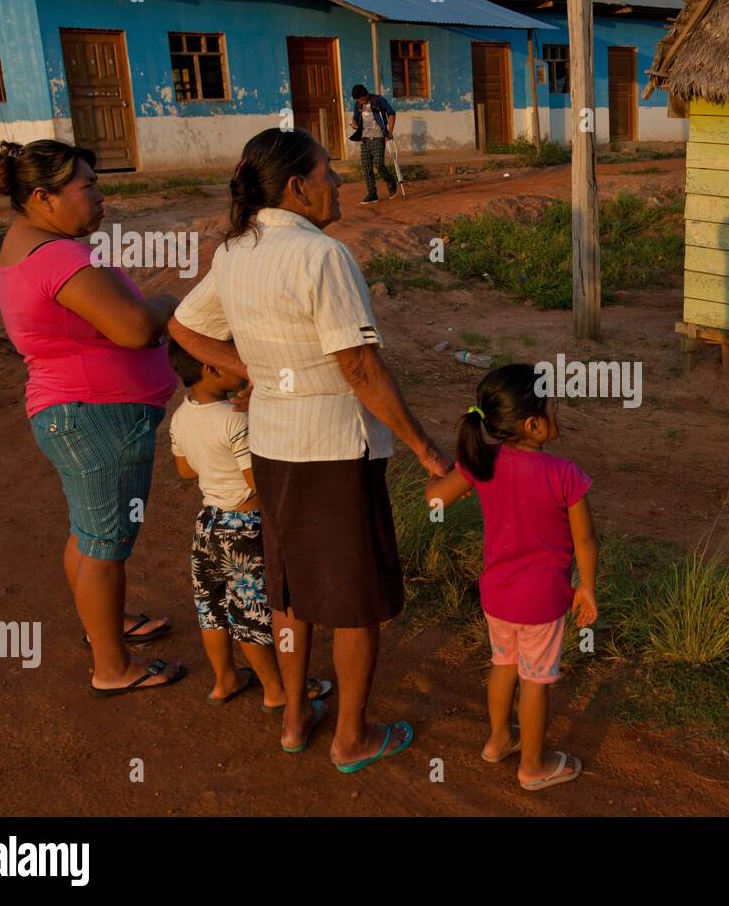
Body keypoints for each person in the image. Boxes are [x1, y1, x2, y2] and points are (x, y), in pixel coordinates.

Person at [168, 127, 449, 770]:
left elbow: (183, 325)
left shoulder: (237, 251)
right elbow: (359, 368)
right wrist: (425, 447)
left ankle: (295, 716)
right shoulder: (321, 256)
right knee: (355, 599)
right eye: (329, 170)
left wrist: (252, 372)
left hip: (272, 443)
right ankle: (351, 737)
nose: (341, 181)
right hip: (333, 449)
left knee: (289, 587)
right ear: (297, 186)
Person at [0, 138, 183, 696]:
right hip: (96, 417)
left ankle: (105, 627)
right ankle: (112, 667)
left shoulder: (30, 243)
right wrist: (168, 304)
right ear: (44, 196)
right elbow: (135, 328)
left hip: (75, 412)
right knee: (105, 544)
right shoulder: (56, 255)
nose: (101, 197)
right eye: (88, 186)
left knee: (89, 532)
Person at [425, 365, 598, 792]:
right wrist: (587, 587)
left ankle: (499, 740)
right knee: (535, 682)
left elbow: (434, 500)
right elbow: (586, 540)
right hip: (542, 603)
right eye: (553, 407)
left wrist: (442, 470)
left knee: (503, 665)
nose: (560, 413)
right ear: (534, 424)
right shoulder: (565, 474)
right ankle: (533, 767)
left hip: (497, 597)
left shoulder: (483, 463)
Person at [166, 340, 333, 711]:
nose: (243, 367)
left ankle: (225, 680)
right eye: (233, 361)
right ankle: (276, 690)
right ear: (210, 368)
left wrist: (213, 462)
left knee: (211, 608)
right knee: (251, 612)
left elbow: (185, 470)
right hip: (243, 527)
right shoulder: (235, 419)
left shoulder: (181, 415)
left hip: (208, 524)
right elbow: (258, 480)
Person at [349, 84, 399, 204]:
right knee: (366, 167)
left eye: (361, 99)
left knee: (378, 163)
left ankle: (391, 182)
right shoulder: (358, 105)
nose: (360, 102)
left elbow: (391, 113)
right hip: (364, 138)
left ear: (365, 94)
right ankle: (372, 194)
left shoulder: (377, 100)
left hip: (378, 136)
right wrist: (354, 124)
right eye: (358, 101)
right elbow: (355, 118)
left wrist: (390, 132)